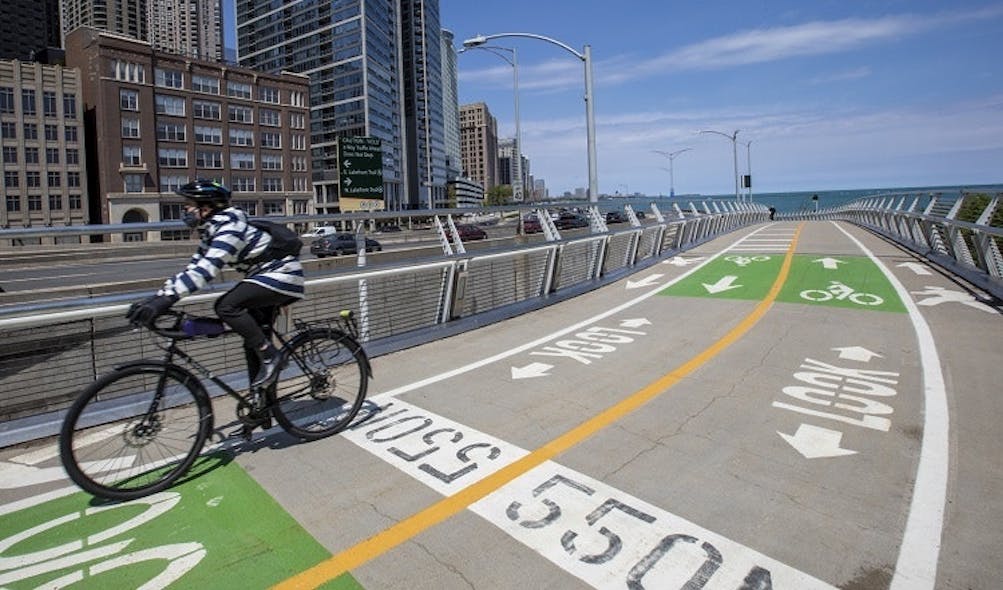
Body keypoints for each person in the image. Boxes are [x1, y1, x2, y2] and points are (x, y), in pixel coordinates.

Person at [126, 180, 304, 388]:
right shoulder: (211, 231)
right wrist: (157, 298)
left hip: (282, 276)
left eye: (189, 205)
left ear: (207, 207)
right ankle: (263, 401)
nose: (185, 210)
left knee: (225, 306)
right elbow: (193, 269)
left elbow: (207, 270)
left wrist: (166, 301)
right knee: (252, 343)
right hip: (263, 277)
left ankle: (271, 355)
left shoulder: (230, 228)